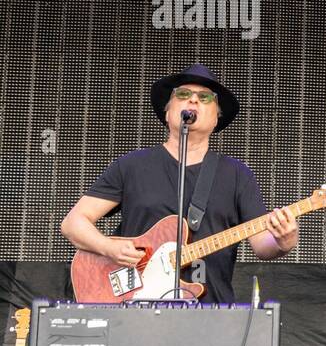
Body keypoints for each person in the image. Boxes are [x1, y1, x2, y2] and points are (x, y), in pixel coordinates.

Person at [60, 65, 299, 304]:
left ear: (217, 118)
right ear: (167, 112)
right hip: (133, 308)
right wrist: (107, 248)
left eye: (205, 97)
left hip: (209, 311)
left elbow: (262, 245)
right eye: (183, 94)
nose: (193, 100)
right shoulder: (131, 166)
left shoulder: (237, 174)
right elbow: (73, 223)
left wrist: (284, 240)